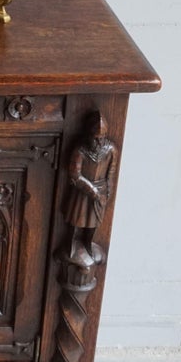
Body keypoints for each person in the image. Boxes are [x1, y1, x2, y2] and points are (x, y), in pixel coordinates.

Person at [64, 112, 117, 279]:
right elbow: (75, 175)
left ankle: (88, 244)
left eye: (102, 138)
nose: (99, 142)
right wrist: (92, 191)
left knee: (94, 221)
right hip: (82, 191)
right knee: (76, 219)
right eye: (95, 138)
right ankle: (71, 246)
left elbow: (110, 174)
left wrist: (107, 193)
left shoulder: (110, 150)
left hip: (101, 190)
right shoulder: (80, 151)